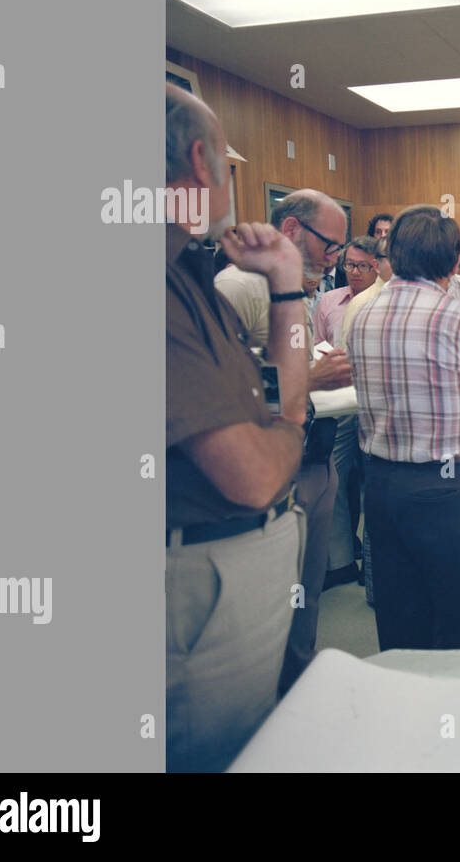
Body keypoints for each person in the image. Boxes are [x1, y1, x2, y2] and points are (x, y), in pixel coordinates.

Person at [165, 84, 307, 771]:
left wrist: (286, 284)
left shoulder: (189, 270)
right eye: (229, 162)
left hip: (237, 566)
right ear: (200, 162)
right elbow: (253, 471)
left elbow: (280, 393)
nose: (233, 178)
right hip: (199, 578)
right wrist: (291, 428)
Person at [348, 206, 460, 650]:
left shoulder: (361, 316)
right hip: (449, 490)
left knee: (399, 617)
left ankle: (411, 709)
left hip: (382, 488)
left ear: (391, 255)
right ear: (453, 263)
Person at [214, 188, 352, 694]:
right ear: (292, 229)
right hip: (271, 476)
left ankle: (298, 695)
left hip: (314, 458)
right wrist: (308, 380)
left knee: (306, 595)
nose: (335, 258)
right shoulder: (239, 288)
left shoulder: (299, 288)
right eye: (329, 245)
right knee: (270, 603)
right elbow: (223, 391)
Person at [312, 236, 379, 589]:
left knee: (373, 482)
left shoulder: (383, 301)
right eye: (349, 265)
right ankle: (340, 562)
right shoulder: (328, 301)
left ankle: (373, 561)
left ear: (378, 267)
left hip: (373, 405)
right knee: (333, 482)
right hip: (337, 404)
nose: (353, 272)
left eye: (362, 266)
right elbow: (317, 346)